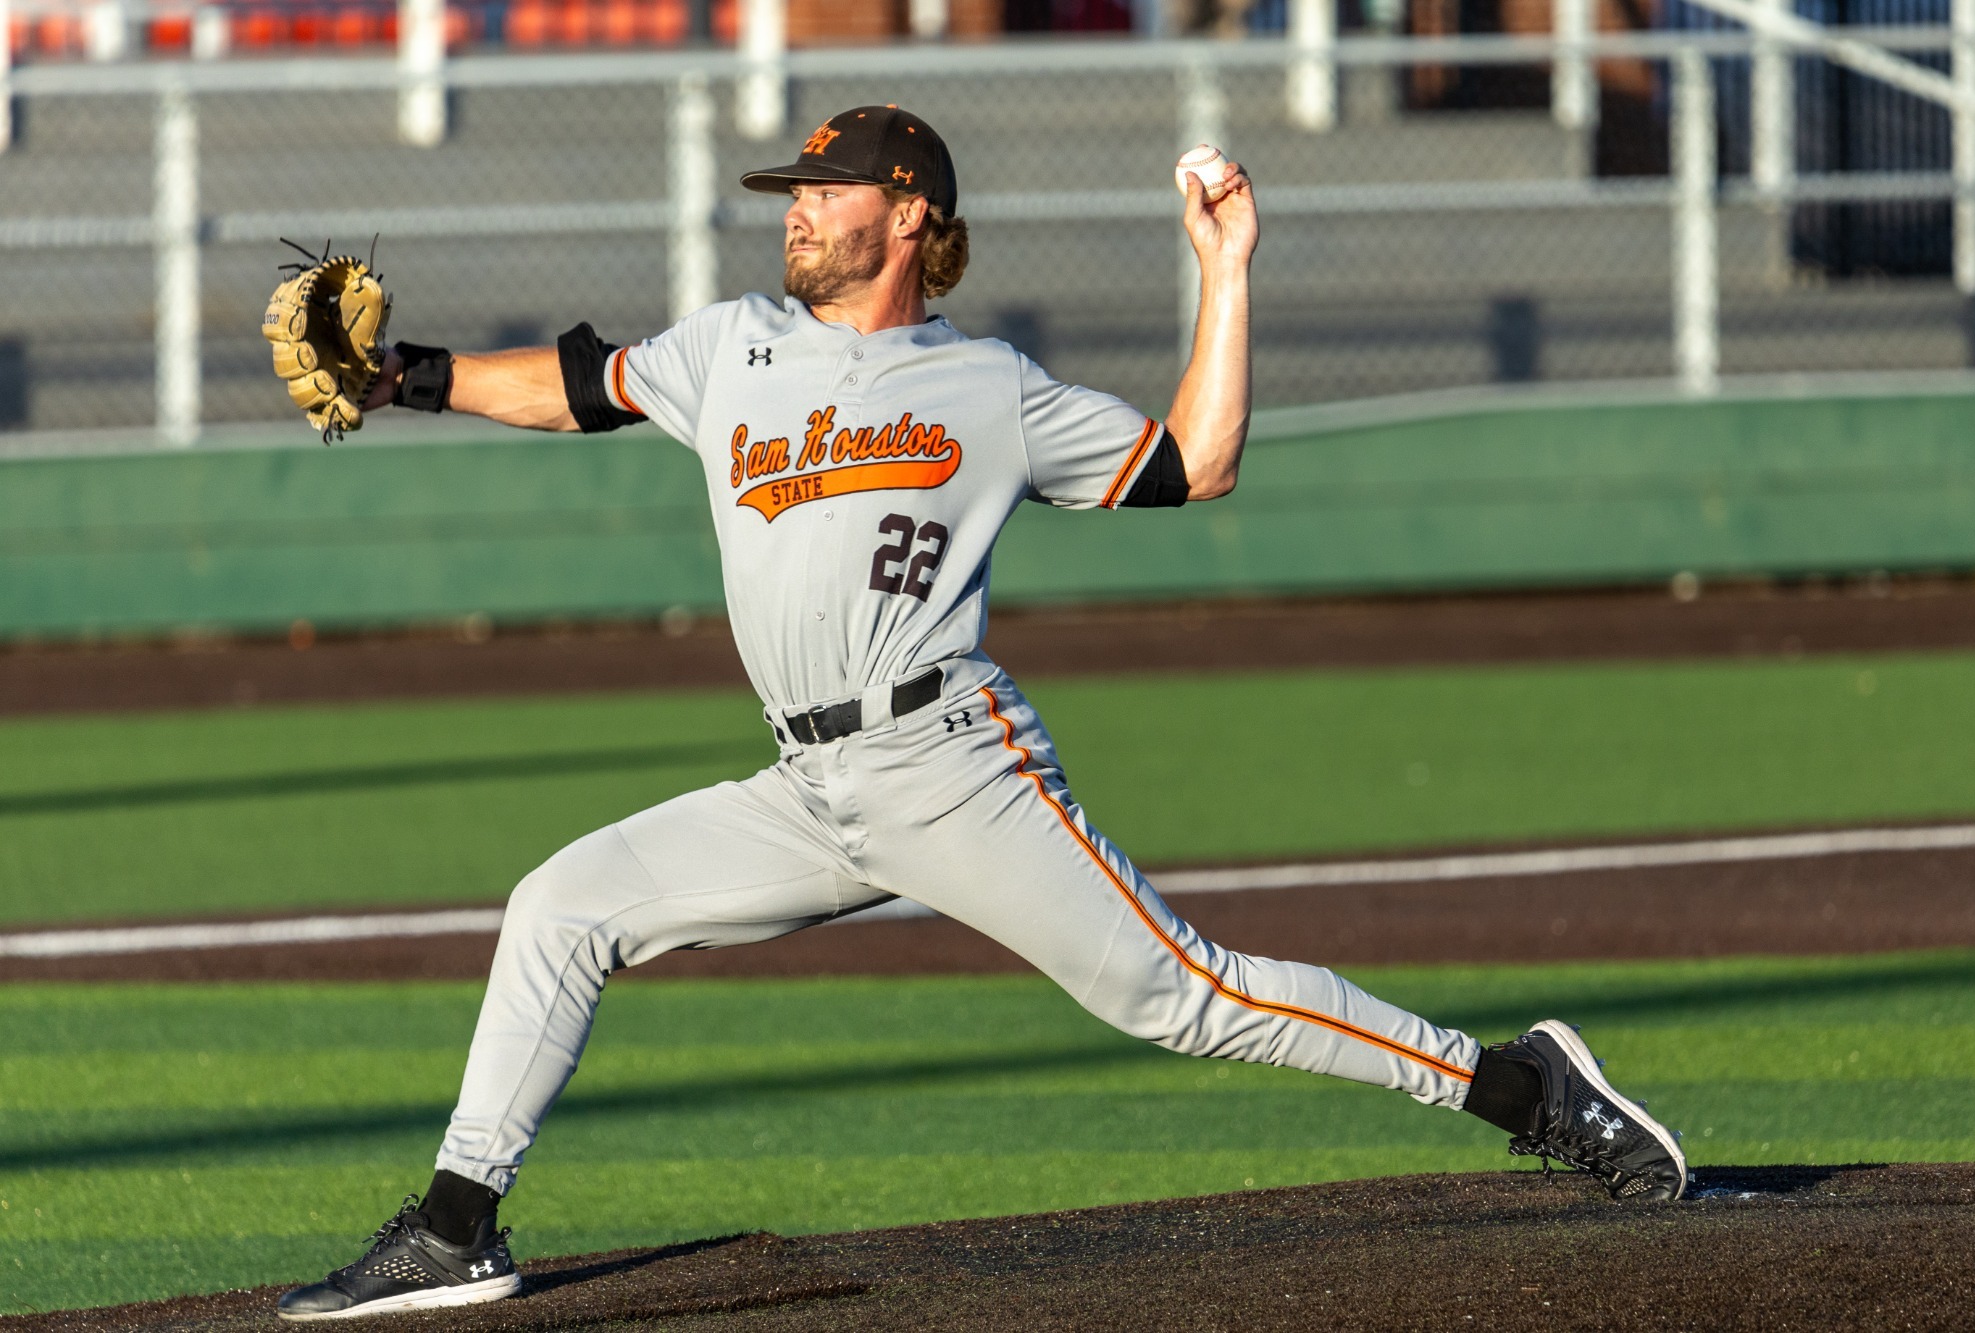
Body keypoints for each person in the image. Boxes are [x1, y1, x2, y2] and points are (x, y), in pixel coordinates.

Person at [275, 106, 1686, 1322]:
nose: (799, 212)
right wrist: (414, 378)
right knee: (561, 906)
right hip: (803, 788)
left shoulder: (988, 388)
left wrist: (1226, 272)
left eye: (826, 192)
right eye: (797, 193)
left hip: (949, 761)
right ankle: (457, 1230)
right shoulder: (733, 351)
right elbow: (579, 388)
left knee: (1183, 994)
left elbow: (1195, 463)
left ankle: (1528, 1089)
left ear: (909, 216)